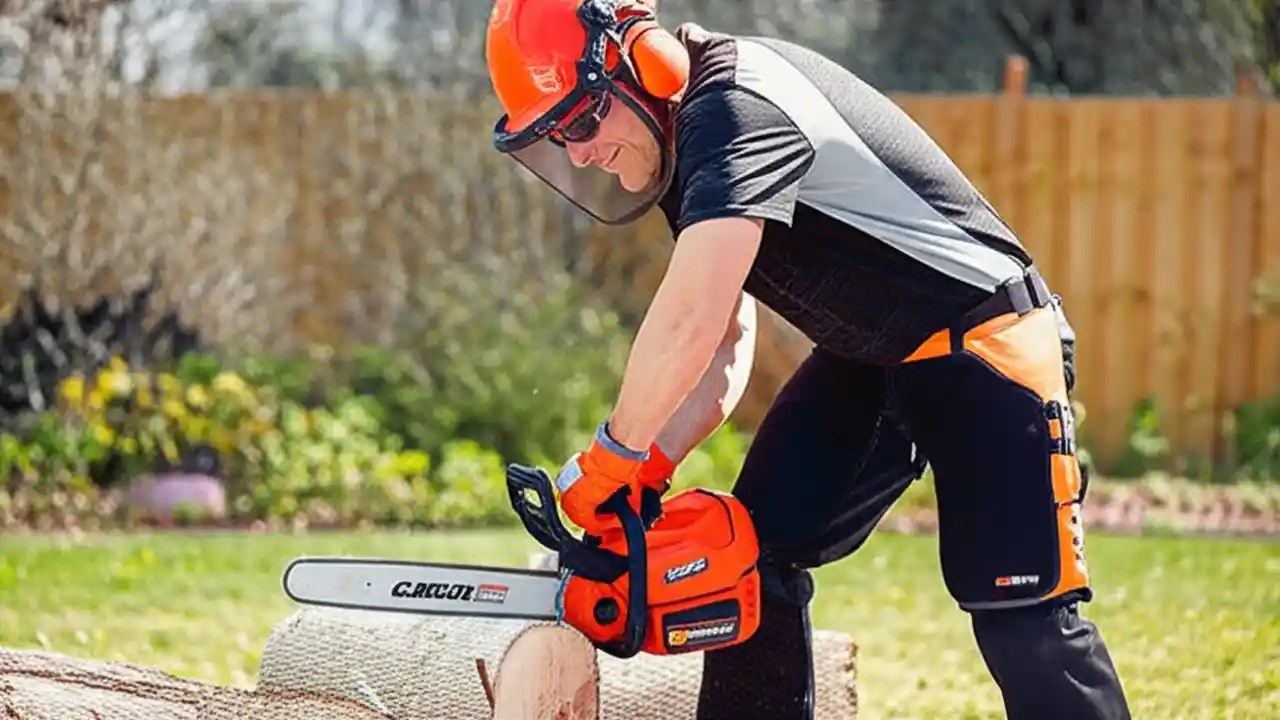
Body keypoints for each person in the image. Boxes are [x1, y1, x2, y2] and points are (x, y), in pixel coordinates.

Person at [483, 1, 1132, 718]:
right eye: (557, 135)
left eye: (580, 121)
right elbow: (725, 344)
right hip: (872, 357)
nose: (579, 153)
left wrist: (613, 453)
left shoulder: (735, 108)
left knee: (1026, 623)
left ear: (642, 62)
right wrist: (646, 468)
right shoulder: (685, 142)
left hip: (986, 346)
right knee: (748, 560)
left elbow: (691, 320)